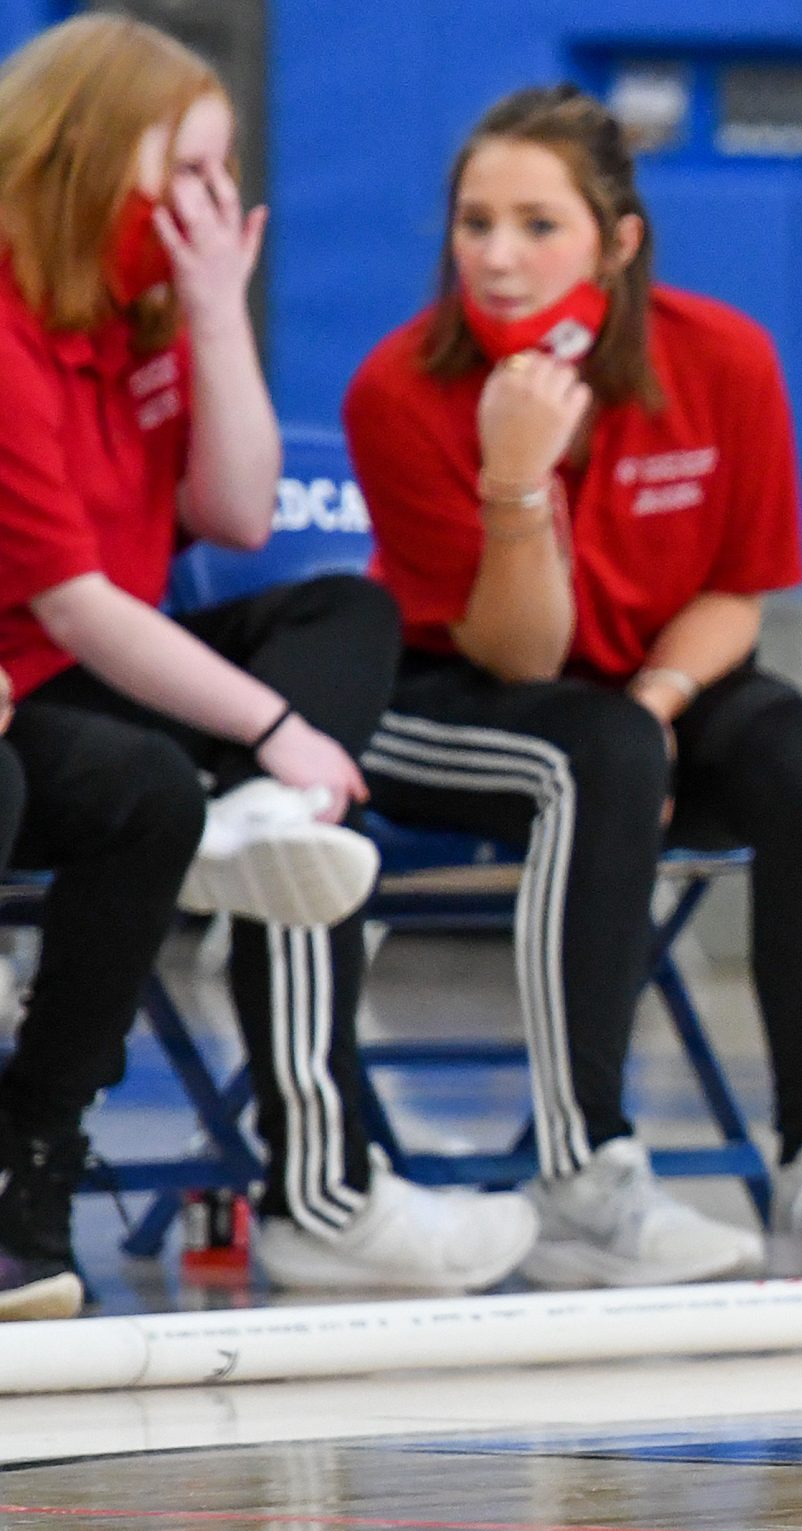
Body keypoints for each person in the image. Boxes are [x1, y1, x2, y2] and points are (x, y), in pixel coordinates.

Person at [342, 86, 802, 1290]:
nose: (498, 258)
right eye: (474, 224)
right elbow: (521, 657)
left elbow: (738, 597)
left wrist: (662, 707)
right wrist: (516, 481)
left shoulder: (721, 357)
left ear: (618, 242)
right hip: (452, 694)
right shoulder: (398, 390)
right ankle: (585, 1177)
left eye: (537, 226)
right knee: (596, 753)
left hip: (651, 679)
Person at [0, 15, 491, 1319]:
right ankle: (33, 1157)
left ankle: (256, 822)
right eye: (195, 176)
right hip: (35, 681)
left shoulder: (145, 307)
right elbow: (80, 606)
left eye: (230, 176)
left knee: (341, 610)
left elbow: (239, 512)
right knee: (146, 780)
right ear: (91, 157)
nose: (220, 206)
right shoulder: (6, 322)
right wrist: (274, 723)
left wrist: (218, 314)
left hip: (119, 666)